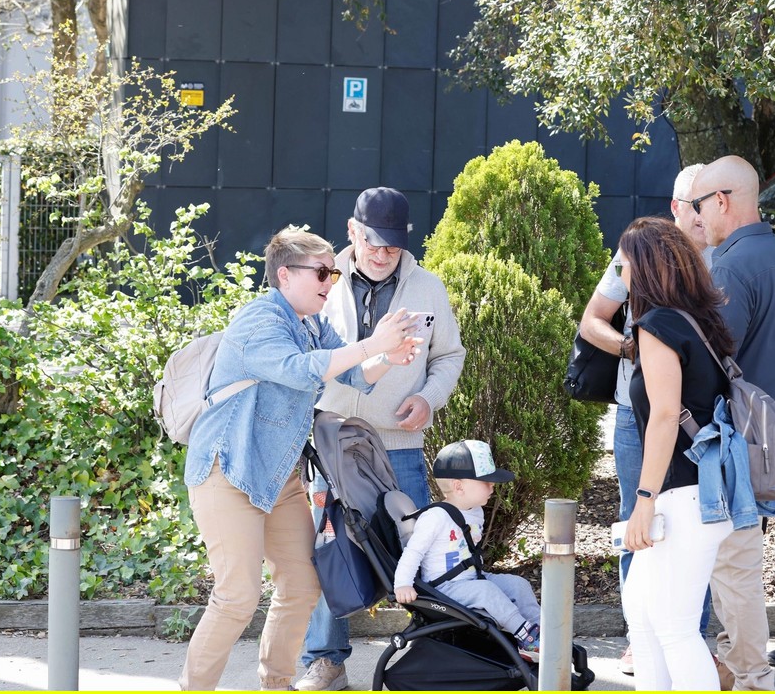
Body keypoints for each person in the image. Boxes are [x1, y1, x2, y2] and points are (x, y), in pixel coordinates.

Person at [180, 228, 422, 691]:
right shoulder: (260, 322)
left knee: (302, 583)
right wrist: (374, 344)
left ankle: (276, 683)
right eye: (323, 271)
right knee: (236, 597)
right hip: (227, 470)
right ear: (285, 275)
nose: (332, 279)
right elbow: (300, 369)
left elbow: (351, 371)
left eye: (333, 271)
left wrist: (390, 356)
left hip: (278, 477)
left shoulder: (312, 323)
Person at [296, 188, 467, 691]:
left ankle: (431, 653)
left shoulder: (428, 288)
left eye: (392, 245)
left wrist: (430, 399)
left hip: (400, 443)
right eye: (373, 242)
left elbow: (449, 357)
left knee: (420, 549)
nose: (382, 253)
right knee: (331, 550)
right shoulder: (321, 281)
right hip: (335, 441)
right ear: (353, 231)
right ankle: (326, 659)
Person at [689, 156, 775, 691]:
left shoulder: (729, 267)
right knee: (739, 562)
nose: (698, 219)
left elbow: (709, 363)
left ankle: (749, 675)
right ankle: (733, 666)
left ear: (723, 200)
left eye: (700, 206)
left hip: (732, 442)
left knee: (733, 570)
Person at [578, 163, 711, 676]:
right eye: (689, 207)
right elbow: (592, 320)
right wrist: (632, 346)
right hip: (640, 416)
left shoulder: (722, 259)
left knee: (661, 529)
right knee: (638, 529)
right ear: (677, 207)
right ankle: (644, 638)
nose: (698, 219)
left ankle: (684, 637)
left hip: (680, 427)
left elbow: (667, 414)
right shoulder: (638, 254)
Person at [616, 216, 735, 690]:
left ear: (644, 268)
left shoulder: (658, 324)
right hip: (695, 495)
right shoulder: (696, 320)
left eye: (622, 264)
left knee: (673, 629)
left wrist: (643, 500)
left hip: (680, 497)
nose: (619, 274)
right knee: (644, 621)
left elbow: (666, 416)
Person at [393, 439, 542, 657]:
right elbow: (413, 552)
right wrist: (402, 584)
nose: (492, 486)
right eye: (486, 482)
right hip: (445, 588)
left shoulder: (476, 511)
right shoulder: (435, 518)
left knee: (518, 585)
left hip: (472, 580)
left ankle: (543, 631)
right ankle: (526, 637)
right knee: (487, 592)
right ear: (459, 486)